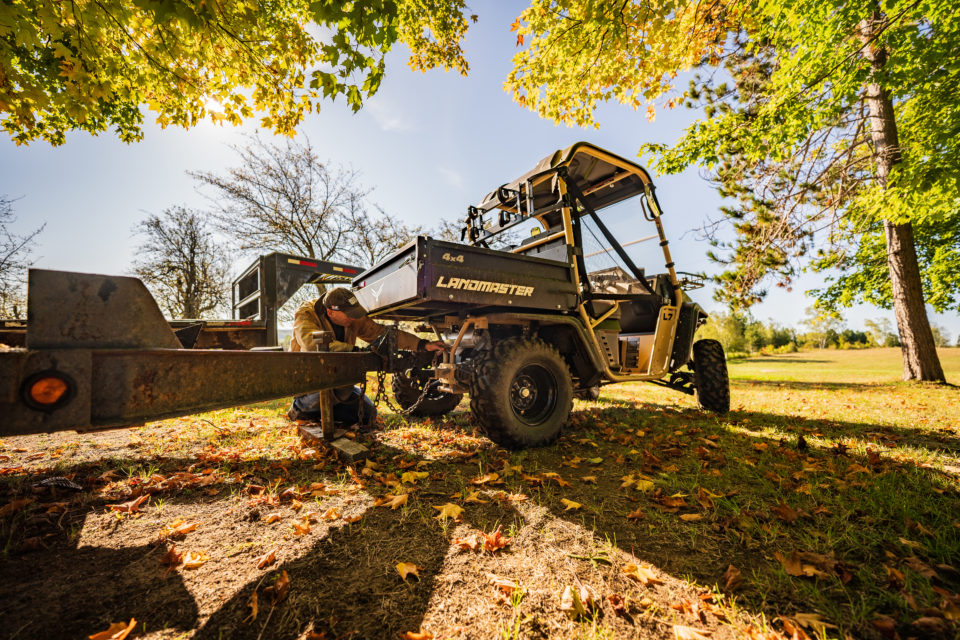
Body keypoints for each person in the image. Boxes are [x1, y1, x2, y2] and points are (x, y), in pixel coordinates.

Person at [287, 287, 445, 429]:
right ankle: (300, 408)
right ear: (331, 312)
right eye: (349, 315)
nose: (353, 318)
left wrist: (422, 344)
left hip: (339, 380)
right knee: (339, 390)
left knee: (367, 414)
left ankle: (320, 411)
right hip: (311, 382)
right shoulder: (307, 314)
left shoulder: (352, 318)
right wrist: (353, 351)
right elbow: (310, 342)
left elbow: (380, 333)